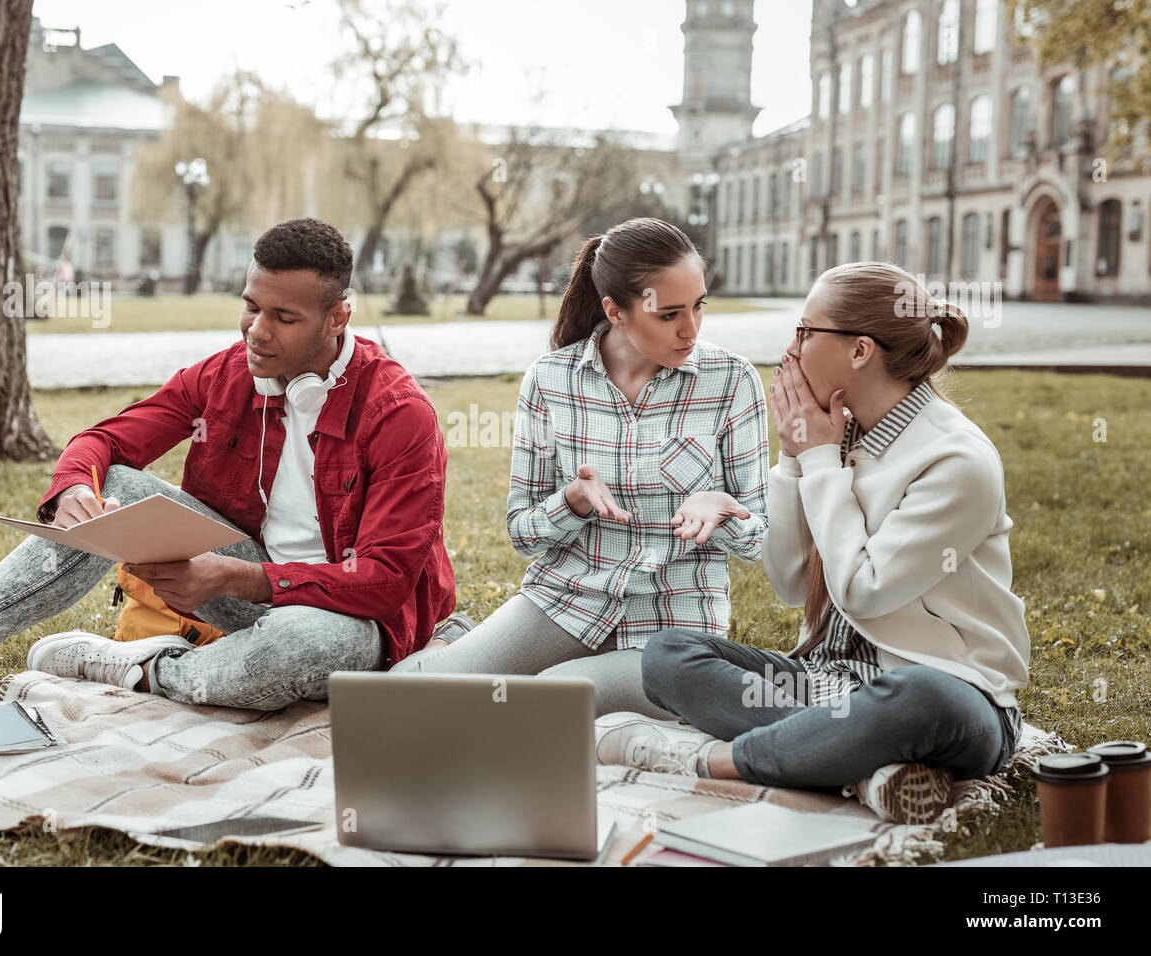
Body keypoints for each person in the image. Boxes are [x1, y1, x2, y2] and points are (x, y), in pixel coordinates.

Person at [0, 218, 457, 711]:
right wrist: (72, 492)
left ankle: (149, 671)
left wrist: (229, 577)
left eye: (284, 318)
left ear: (338, 318)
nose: (256, 331)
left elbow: (383, 583)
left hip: (355, 615)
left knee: (303, 645)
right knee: (110, 485)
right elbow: (105, 442)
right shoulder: (224, 375)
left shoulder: (399, 414)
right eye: (251, 307)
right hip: (249, 582)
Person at [595, 261, 1031, 824]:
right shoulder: (835, 432)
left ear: (860, 351)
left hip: (953, 696)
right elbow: (790, 582)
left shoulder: (957, 460)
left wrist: (820, 458)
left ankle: (723, 761)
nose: (791, 349)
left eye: (806, 331)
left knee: (919, 697)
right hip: (826, 687)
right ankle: (860, 766)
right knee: (668, 656)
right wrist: (794, 456)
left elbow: (864, 592)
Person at [392, 218, 769, 717]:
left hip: (672, 626)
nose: (690, 330)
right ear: (615, 311)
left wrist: (722, 509)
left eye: (699, 306)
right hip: (565, 599)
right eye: (670, 314)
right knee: (402, 693)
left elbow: (757, 536)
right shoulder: (551, 380)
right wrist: (569, 501)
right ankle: (460, 640)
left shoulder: (733, 382)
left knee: (543, 704)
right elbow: (523, 533)